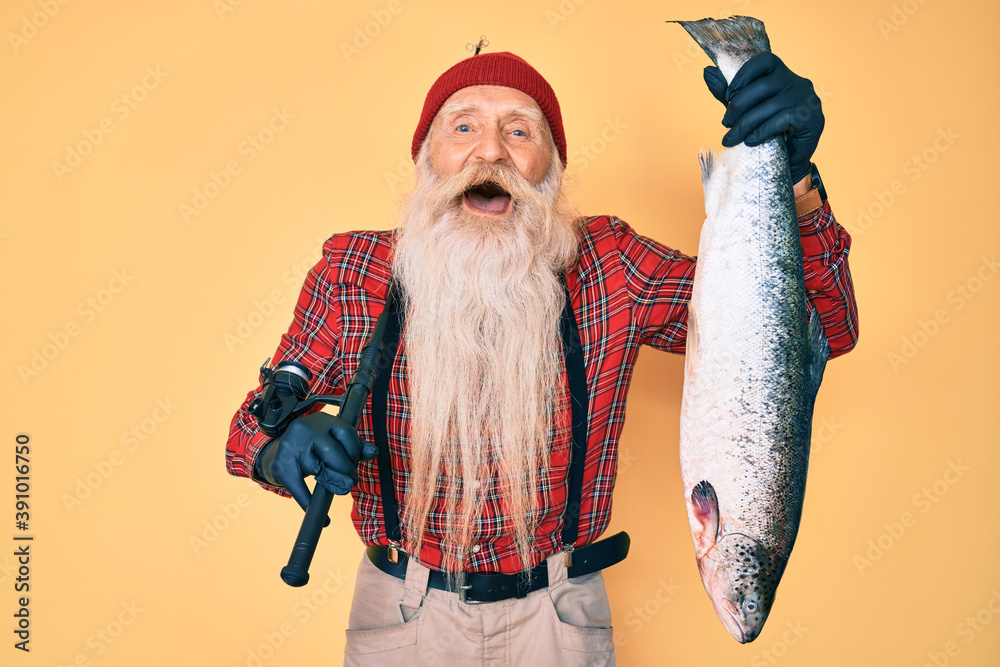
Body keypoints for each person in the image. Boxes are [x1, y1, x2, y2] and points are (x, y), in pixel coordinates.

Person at [226, 47, 857, 665]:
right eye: (464, 126)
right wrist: (284, 443)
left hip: (560, 617)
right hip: (402, 615)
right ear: (426, 161)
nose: (492, 150)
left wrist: (794, 177)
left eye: (519, 131)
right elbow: (249, 429)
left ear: (550, 170)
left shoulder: (610, 264)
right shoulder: (353, 268)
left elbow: (814, 325)